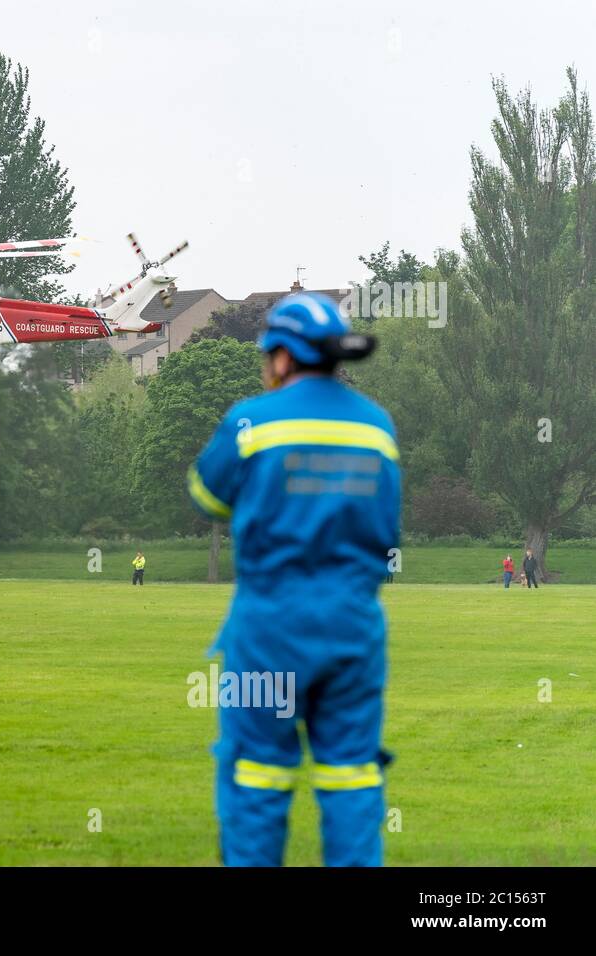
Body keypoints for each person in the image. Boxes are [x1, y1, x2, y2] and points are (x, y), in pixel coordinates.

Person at [187, 292, 400, 867]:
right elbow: (386, 528)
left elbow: (207, 494)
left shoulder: (253, 421)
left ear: (282, 358)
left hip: (269, 629)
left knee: (258, 772)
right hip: (354, 627)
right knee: (353, 775)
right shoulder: (377, 428)